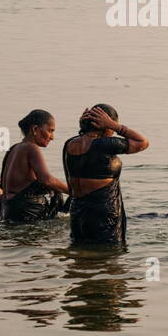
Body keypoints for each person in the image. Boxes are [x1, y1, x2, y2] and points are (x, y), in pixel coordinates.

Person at [62, 104, 150, 247]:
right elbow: (143, 142)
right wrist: (116, 126)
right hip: (104, 214)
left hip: (78, 212)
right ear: (105, 123)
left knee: (80, 258)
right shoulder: (105, 144)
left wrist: (84, 127)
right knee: (110, 259)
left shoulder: (70, 144)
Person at [0, 109, 69, 222]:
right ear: (35, 129)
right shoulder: (31, 148)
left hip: (7, 211)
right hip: (25, 213)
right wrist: (74, 191)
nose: (52, 137)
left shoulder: (13, 148)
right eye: (50, 131)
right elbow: (47, 180)